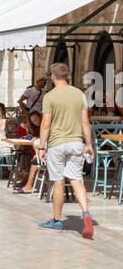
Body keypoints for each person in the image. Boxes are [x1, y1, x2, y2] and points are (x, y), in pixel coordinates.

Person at [37, 61, 94, 237]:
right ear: (67, 76)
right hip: (77, 143)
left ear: (53, 77)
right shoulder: (79, 94)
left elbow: (45, 124)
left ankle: (57, 220)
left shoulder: (50, 96)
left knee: (59, 181)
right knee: (77, 180)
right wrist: (89, 144)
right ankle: (86, 215)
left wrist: (41, 146)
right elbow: (85, 122)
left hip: (57, 143)